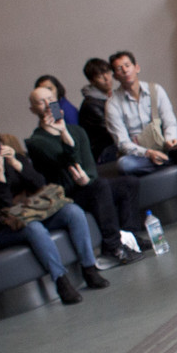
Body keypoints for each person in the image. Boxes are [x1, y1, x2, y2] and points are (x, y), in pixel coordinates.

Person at [0, 126, 110, 304]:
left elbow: (40, 184)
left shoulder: (16, 159)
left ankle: (89, 268)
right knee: (35, 229)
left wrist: (16, 164)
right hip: (8, 226)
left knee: (72, 211)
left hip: (35, 212)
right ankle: (61, 280)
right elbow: (2, 207)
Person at [25, 84, 144, 264]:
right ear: (33, 109)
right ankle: (113, 247)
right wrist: (63, 134)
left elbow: (87, 164)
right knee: (99, 186)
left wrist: (65, 131)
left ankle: (131, 238)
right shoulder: (35, 141)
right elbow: (67, 161)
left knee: (128, 183)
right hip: (66, 194)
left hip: (87, 184)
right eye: (41, 102)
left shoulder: (77, 131)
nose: (48, 104)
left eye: (50, 99)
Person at [104, 51, 177, 226]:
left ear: (136, 67)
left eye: (127, 65)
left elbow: (169, 121)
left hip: (163, 145)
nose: (124, 70)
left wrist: (171, 140)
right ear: (115, 75)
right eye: (119, 68)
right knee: (124, 165)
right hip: (140, 154)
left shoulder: (155, 90)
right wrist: (147, 153)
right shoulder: (113, 104)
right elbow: (122, 142)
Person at [76, 58, 120, 168]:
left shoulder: (113, 96)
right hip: (103, 152)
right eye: (100, 76)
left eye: (108, 72)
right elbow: (112, 130)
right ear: (92, 81)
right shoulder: (91, 105)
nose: (107, 78)